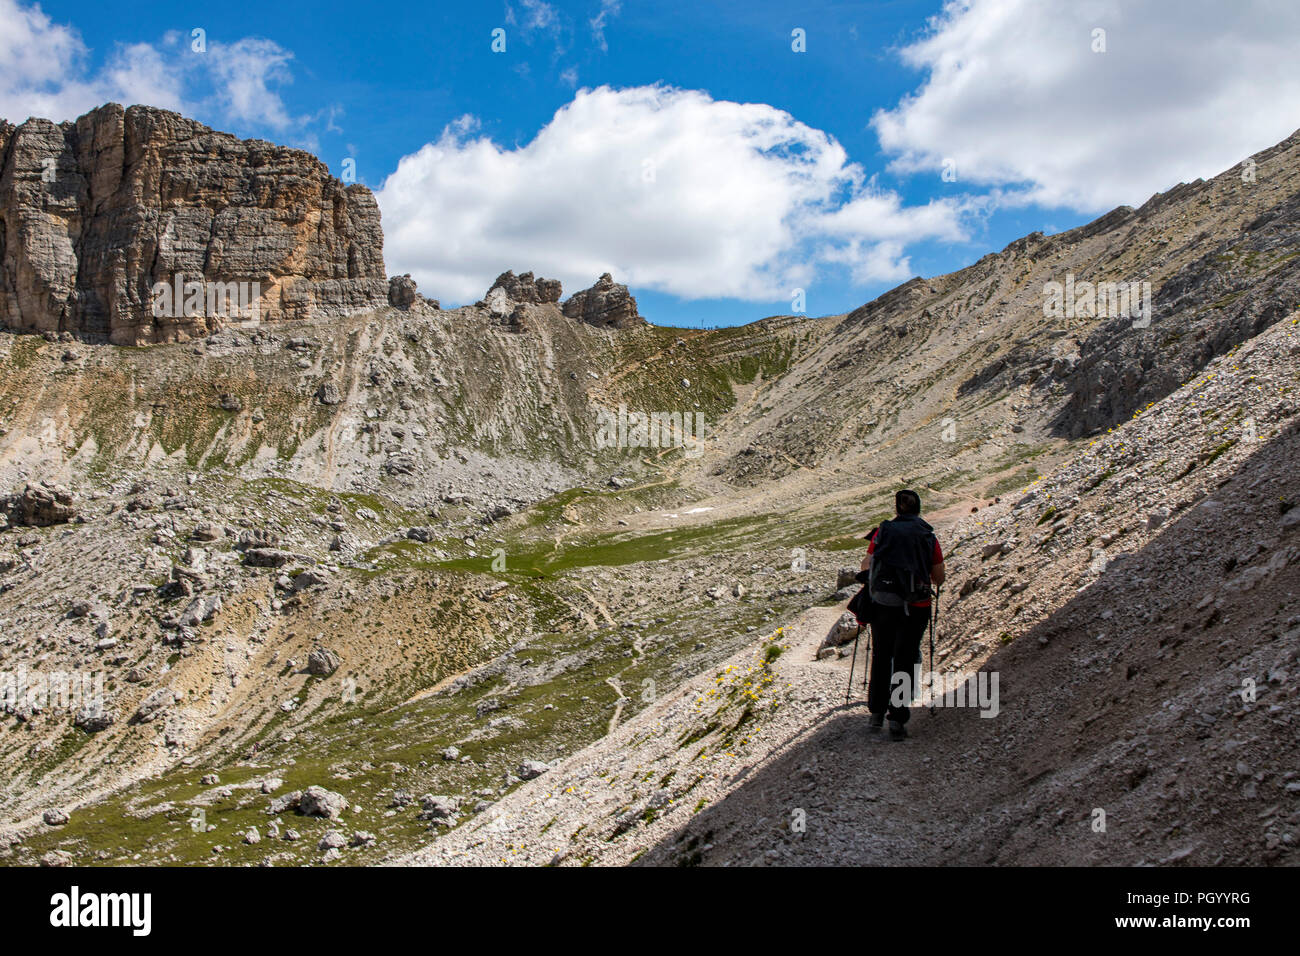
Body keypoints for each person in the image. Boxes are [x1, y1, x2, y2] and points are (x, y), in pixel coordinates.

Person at [859, 489, 945, 741]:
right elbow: (938, 577)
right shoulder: (928, 536)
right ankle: (897, 718)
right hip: (915, 607)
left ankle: (876, 712)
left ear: (897, 509)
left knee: (882, 655)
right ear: (919, 509)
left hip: (883, 605)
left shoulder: (882, 532)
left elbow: (866, 566)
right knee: (905, 658)